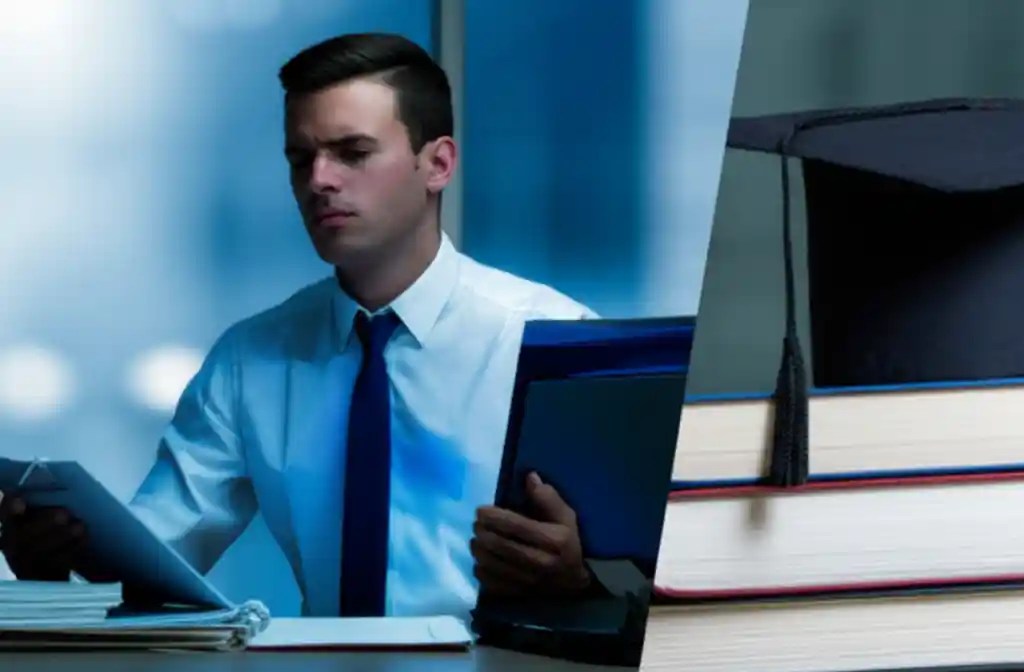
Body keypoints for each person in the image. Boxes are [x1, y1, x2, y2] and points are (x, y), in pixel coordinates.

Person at [0, 33, 603, 619]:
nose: (319, 180)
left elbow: (642, 569)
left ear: (438, 164)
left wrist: (584, 578)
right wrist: (56, 559)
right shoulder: (251, 360)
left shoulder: (554, 338)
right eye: (301, 159)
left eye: (353, 153)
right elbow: (154, 557)